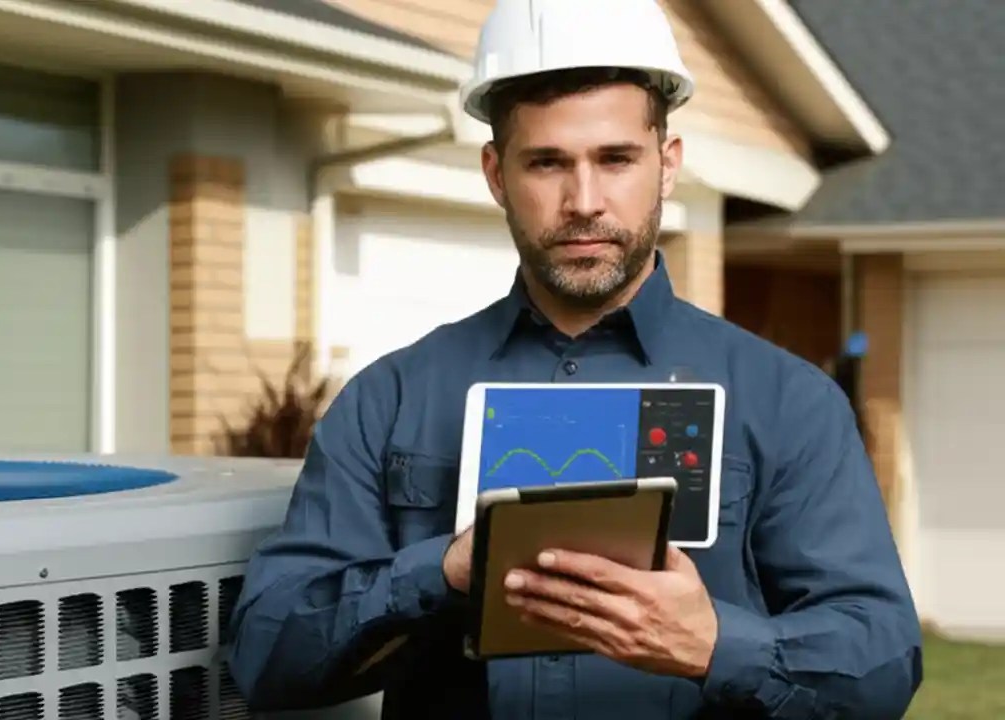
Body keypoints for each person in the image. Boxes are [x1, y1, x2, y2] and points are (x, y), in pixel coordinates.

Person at [226, 0, 924, 717]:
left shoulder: (788, 403)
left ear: (667, 164)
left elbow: (880, 664)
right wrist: (441, 569)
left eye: (615, 159)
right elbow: (266, 654)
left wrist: (716, 642)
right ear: (497, 173)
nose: (583, 201)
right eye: (547, 162)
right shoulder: (390, 399)